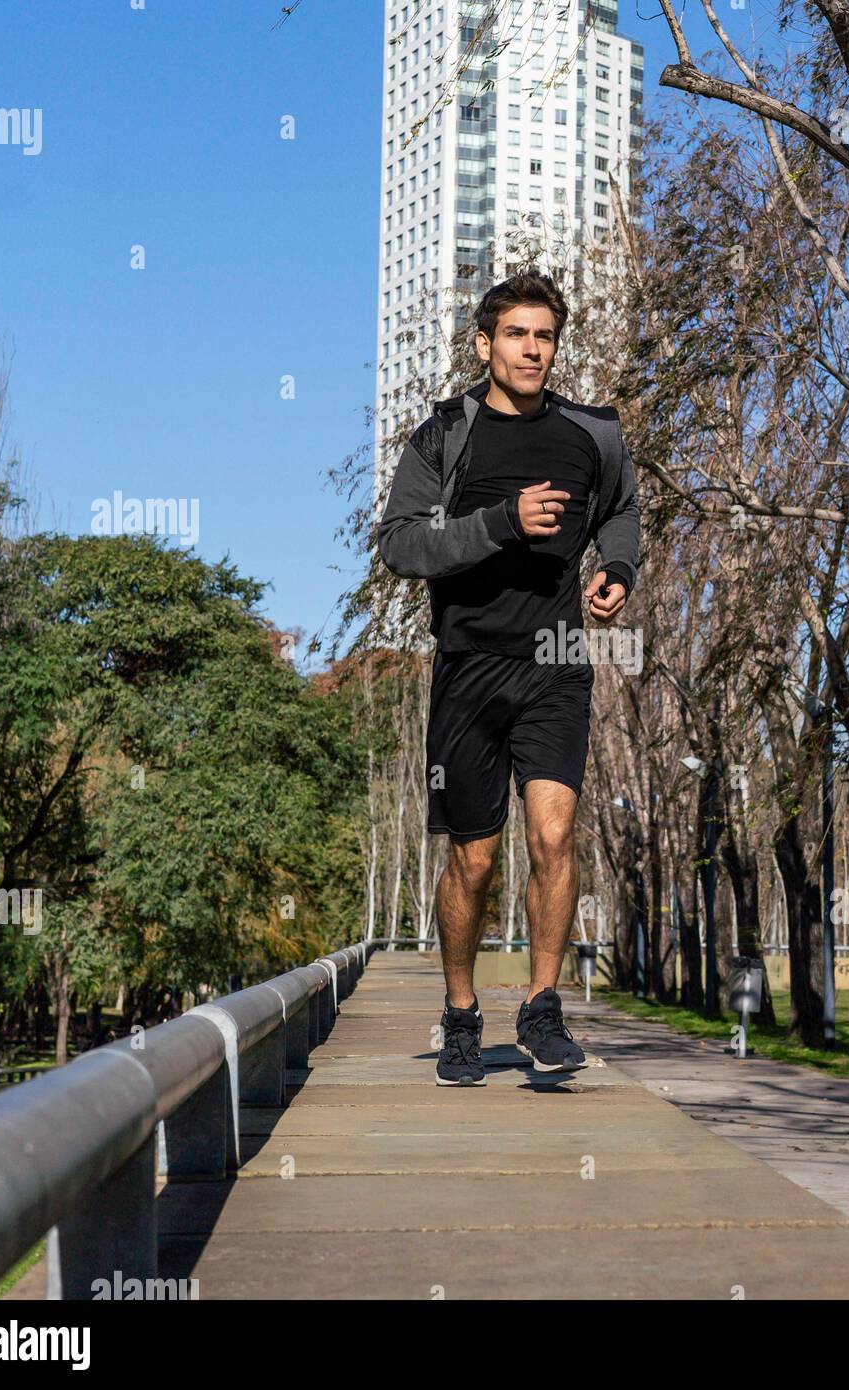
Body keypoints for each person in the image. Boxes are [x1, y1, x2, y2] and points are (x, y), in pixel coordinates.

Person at [376, 272, 641, 1085]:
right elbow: (398, 544)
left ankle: (542, 1009)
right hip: (467, 667)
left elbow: (623, 510)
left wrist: (618, 568)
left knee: (555, 836)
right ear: (485, 345)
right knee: (475, 860)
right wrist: (499, 523)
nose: (533, 349)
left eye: (546, 336)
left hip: (557, 665)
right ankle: (461, 1015)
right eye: (517, 335)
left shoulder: (592, 433)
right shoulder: (444, 436)